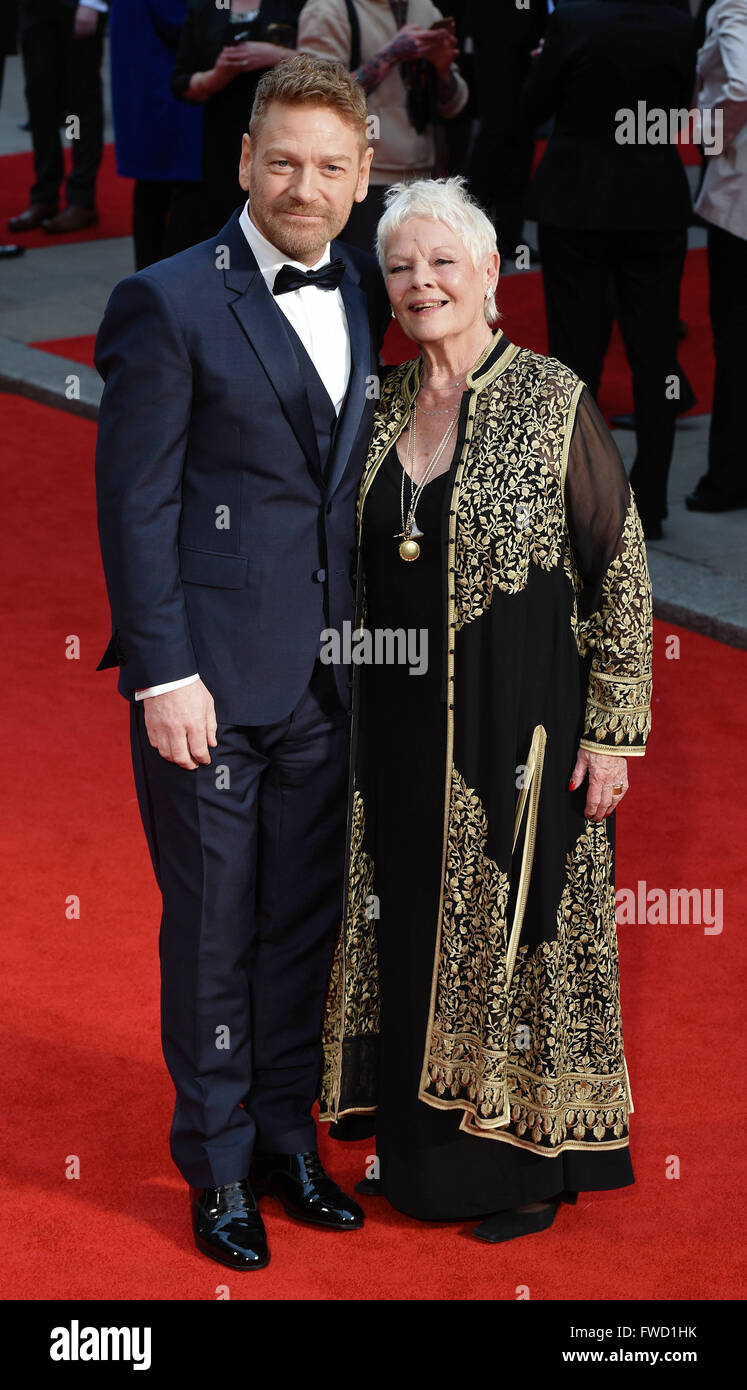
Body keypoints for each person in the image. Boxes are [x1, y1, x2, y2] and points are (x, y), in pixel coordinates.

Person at [94, 54, 391, 1271]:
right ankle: (216, 1167)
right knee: (213, 929)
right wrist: (164, 676)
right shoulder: (167, 301)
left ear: (365, 177)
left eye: (330, 167)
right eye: (283, 163)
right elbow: (134, 507)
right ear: (243, 164)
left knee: (299, 925)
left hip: (333, 682)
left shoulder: (371, 288)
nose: (304, 188)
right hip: (207, 689)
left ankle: (284, 1139)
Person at [319, 177, 653, 1245]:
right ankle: (416, 1158)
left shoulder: (551, 396)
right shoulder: (373, 404)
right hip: (397, 729)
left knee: (518, 939)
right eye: (402, 268)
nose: (421, 283)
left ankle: (517, 1171)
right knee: (409, 926)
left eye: (442, 263)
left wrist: (613, 732)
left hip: (524, 729)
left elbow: (620, 570)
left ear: (490, 274)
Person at [522, 0, 698, 540]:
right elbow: (681, 107)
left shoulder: (573, 19)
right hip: (654, 197)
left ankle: (579, 498)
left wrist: (546, 67)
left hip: (579, 201)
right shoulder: (679, 22)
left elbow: (532, 106)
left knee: (576, 356)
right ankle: (651, 505)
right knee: (656, 359)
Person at [297, 0, 468, 251]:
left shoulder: (425, 8)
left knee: (414, 281)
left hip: (422, 178)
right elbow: (318, 99)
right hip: (358, 182)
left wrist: (442, 70)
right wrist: (391, 55)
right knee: (361, 284)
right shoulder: (327, 9)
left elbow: (454, 105)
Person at [686, 0, 747, 513]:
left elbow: (742, 86)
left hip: (741, 199)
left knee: (736, 339)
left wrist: (714, 141)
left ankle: (729, 478)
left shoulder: (732, 4)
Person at [171, 0, 302, 238]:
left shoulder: (299, 5)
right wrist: (217, 75)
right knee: (224, 226)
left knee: (282, 221)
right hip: (222, 143)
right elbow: (181, 84)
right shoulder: (205, 7)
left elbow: (331, 63)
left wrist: (275, 56)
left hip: (287, 135)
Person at [108, 0, 203, 270]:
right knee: (182, 195)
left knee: (153, 195)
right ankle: (166, 293)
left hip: (152, 83)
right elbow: (181, 22)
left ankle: (149, 291)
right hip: (171, 88)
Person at [9, 0, 107, 235]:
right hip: (34, 10)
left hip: (75, 6)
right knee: (39, 99)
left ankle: (81, 198)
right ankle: (45, 195)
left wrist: (93, 3)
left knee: (79, 105)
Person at [464, 0, 548, 259]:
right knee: (497, 129)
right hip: (494, 29)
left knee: (522, 131)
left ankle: (510, 235)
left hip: (531, 29)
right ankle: (467, 228)